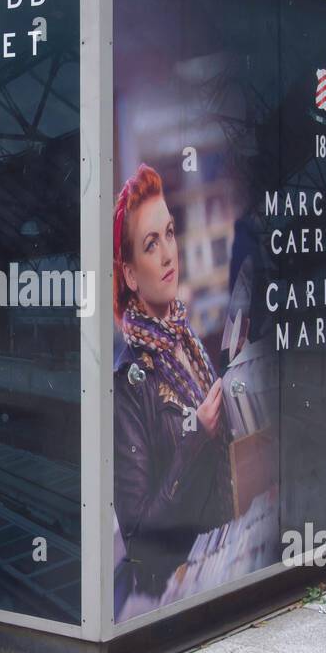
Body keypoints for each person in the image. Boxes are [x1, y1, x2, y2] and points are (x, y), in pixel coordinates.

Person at [113, 164, 232, 599]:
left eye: (169, 233)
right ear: (129, 274)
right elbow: (141, 537)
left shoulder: (187, 338)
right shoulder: (128, 382)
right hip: (174, 586)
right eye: (150, 244)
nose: (168, 254)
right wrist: (196, 437)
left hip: (220, 550)